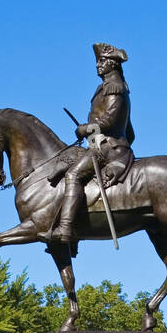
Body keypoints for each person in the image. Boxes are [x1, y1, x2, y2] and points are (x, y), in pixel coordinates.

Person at [48, 43, 135, 244]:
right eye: (97, 61)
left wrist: (87, 128)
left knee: (73, 174)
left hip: (109, 147)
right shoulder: (105, 87)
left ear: (113, 64)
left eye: (102, 61)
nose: (98, 65)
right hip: (106, 143)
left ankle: (66, 228)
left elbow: (111, 119)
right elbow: (129, 131)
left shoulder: (114, 87)